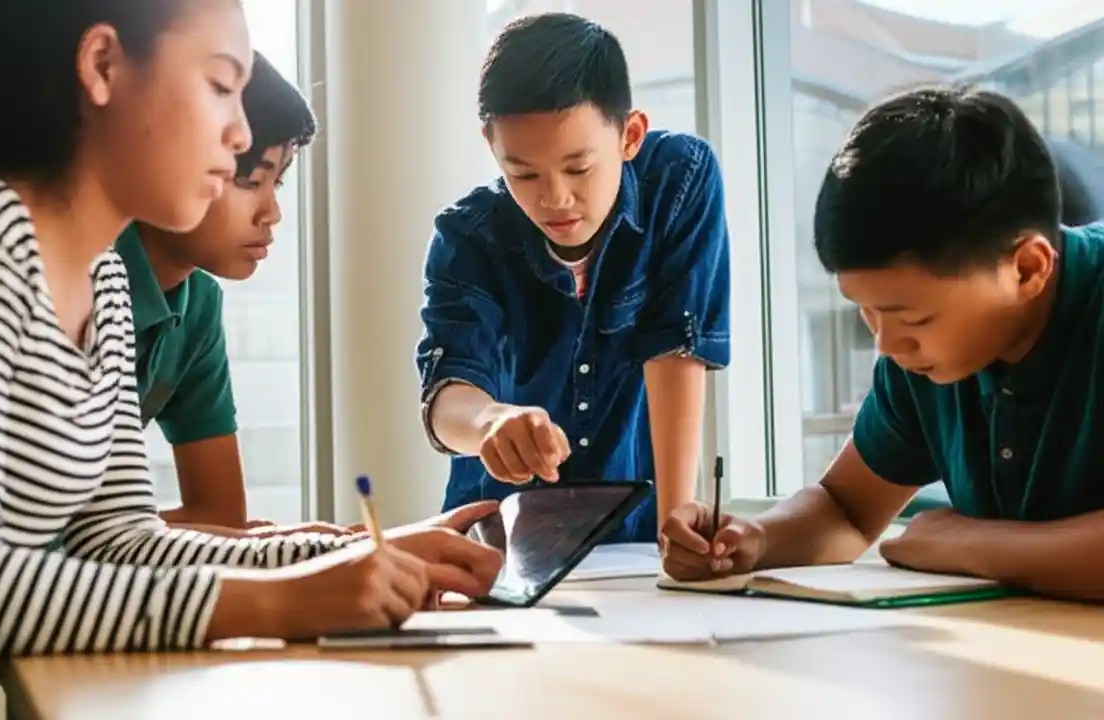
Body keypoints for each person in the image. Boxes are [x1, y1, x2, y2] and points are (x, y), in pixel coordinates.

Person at [0, 1, 498, 716]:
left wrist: (347, 557)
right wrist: (278, 602)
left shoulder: (103, 278)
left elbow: (115, 539)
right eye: (220, 85)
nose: (240, 132)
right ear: (103, 67)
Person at [661, 85, 1104, 603]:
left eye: (912, 317)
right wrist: (756, 539)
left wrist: (970, 544)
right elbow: (846, 510)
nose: (887, 344)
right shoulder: (924, 355)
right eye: (866, 311)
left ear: (1027, 268)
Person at [416, 13, 730, 544]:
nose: (555, 198)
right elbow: (447, 392)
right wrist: (490, 422)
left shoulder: (678, 181)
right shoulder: (468, 235)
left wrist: (674, 526)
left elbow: (674, 350)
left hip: (633, 537)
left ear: (630, 135)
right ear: (491, 144)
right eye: (523, 173)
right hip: (500, 542)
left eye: (579, 168)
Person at [116, 50, 344, 536]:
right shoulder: (81, 277)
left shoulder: (197, 302)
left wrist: (279, 546)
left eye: (277, 182)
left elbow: (217, 513)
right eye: (251, 180)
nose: (272, 212)